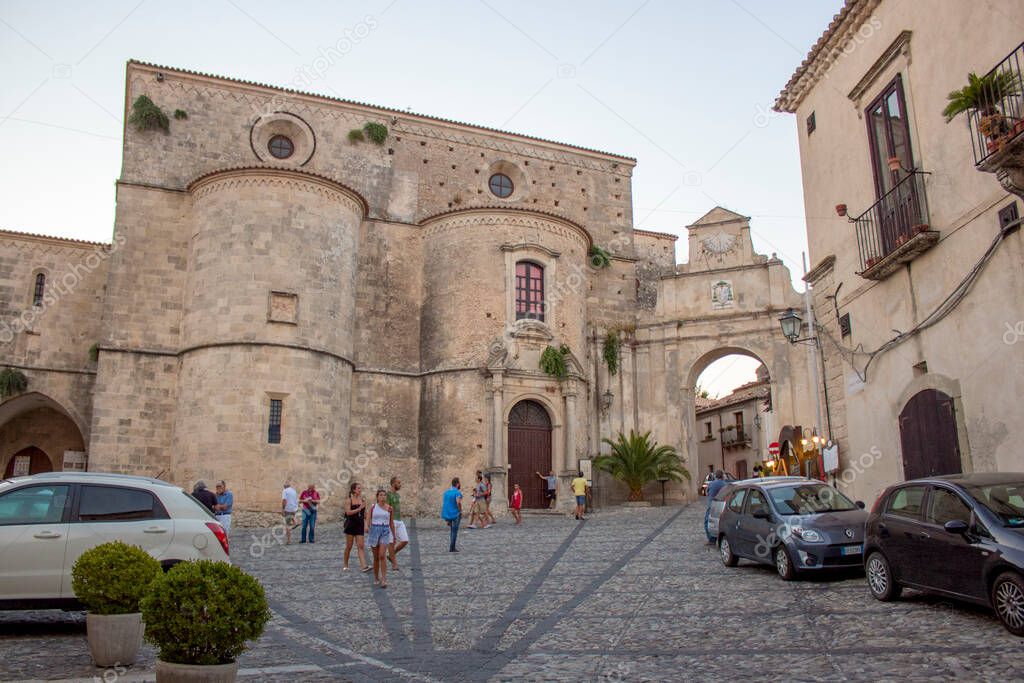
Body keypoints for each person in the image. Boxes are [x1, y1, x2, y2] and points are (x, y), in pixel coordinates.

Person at [366, 489, 396, 588]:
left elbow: (391, 522)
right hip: (374, 530)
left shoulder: (389, 508)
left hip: (385, 530)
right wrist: (367, 526)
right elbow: (368, 518)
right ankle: (376, 577)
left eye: (384, 495)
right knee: (375, 557)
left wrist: (394, 535)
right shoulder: (373, 507)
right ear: (377, 497)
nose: (383, 497)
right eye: (381, 495)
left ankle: (384, 579)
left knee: (382, 555)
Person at [343, 482, 370, 571]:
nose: (360, 490)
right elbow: (348, 512)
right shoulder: (348, 500)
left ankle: (364, 566)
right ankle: (345, 565)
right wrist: (359, 508)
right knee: (349, 546)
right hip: (350, 525)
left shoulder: (362, 500)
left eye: (360, 488)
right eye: (358, 488)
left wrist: (366, 525)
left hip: (359, 525)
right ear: (354, 490)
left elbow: (365, 515)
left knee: (361, 546)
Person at [387, 476, 409, 570]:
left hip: (399, 520)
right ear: (393, 484)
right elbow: (387, 508)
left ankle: (391, 555)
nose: (400, 485)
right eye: (398, 483)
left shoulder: (397, 495)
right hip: (391, 521)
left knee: (405, 540)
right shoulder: (388, 495)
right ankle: (394, 564)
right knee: (391, 542)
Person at [704, 470, 727, 543]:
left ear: (715, 476)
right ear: (722, 476)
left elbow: (707, 492)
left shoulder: (711, 484)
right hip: (722, 506)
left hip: (712, 505)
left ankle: (711, 539)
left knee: (708, 522)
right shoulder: (725, 484)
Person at [441, 477, 463, 552]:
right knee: (454, 531)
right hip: (455, 514)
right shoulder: (457, 492)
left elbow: (445, 504)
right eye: (459, 483)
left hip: (448, 514)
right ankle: (452, 547)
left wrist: (446, 518)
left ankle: (452, 546)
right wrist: (460, 510)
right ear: (457, 484)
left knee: (451, 530)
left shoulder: (446, 492)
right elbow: (458, 502)